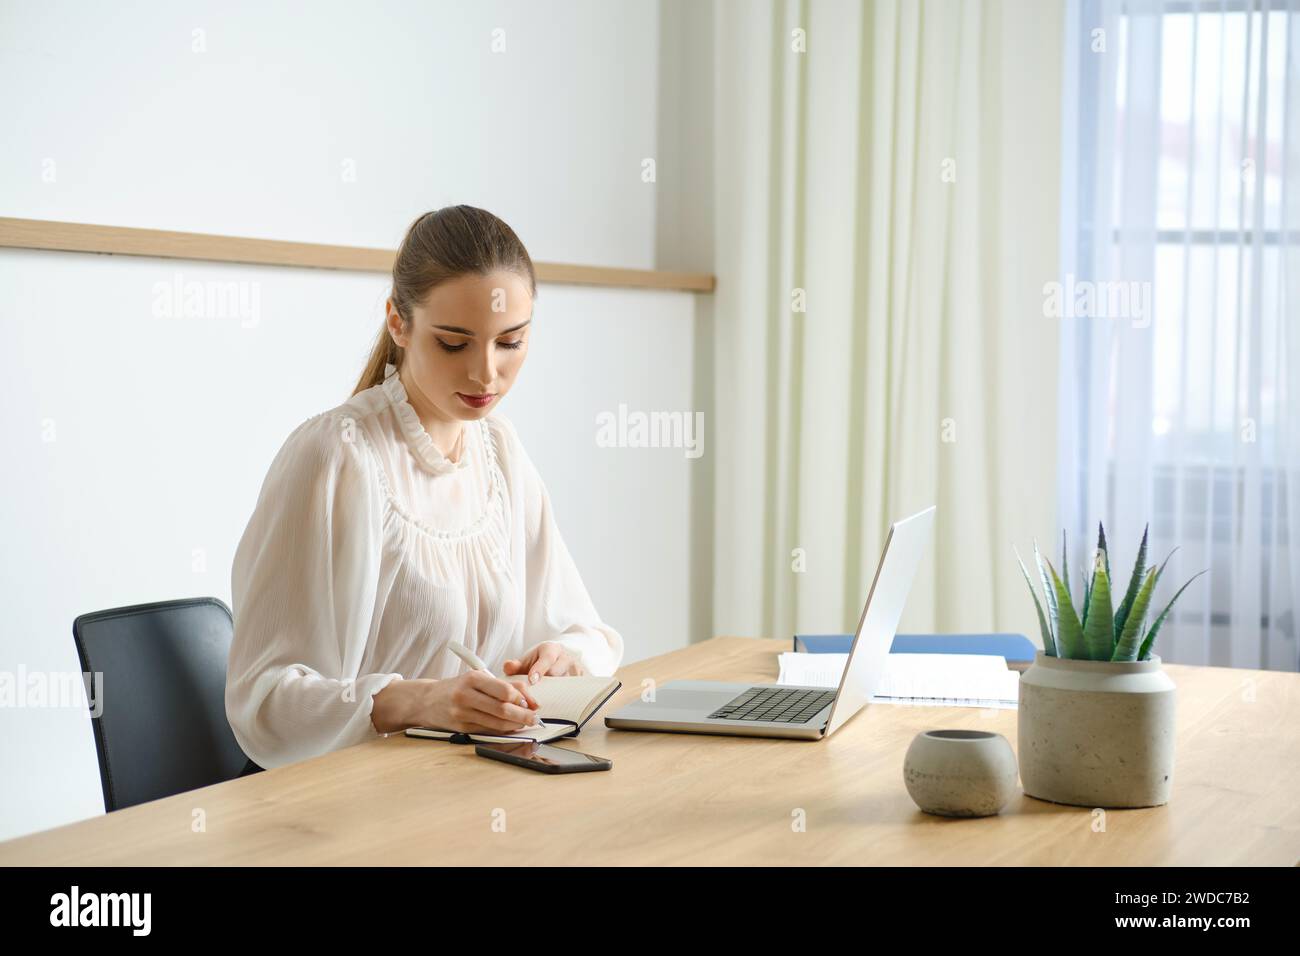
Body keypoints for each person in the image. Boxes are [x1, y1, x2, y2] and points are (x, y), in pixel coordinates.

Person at [226, 205, 623, 771]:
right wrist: (420, 700)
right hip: (342, 806)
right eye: (454, 344)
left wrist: (563, 660)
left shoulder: (500, 452)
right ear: (398, 322)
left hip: (463, 787)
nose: (486, 374)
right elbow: (261, 701)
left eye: (510, 342)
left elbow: (588, 632)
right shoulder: (335, 456)